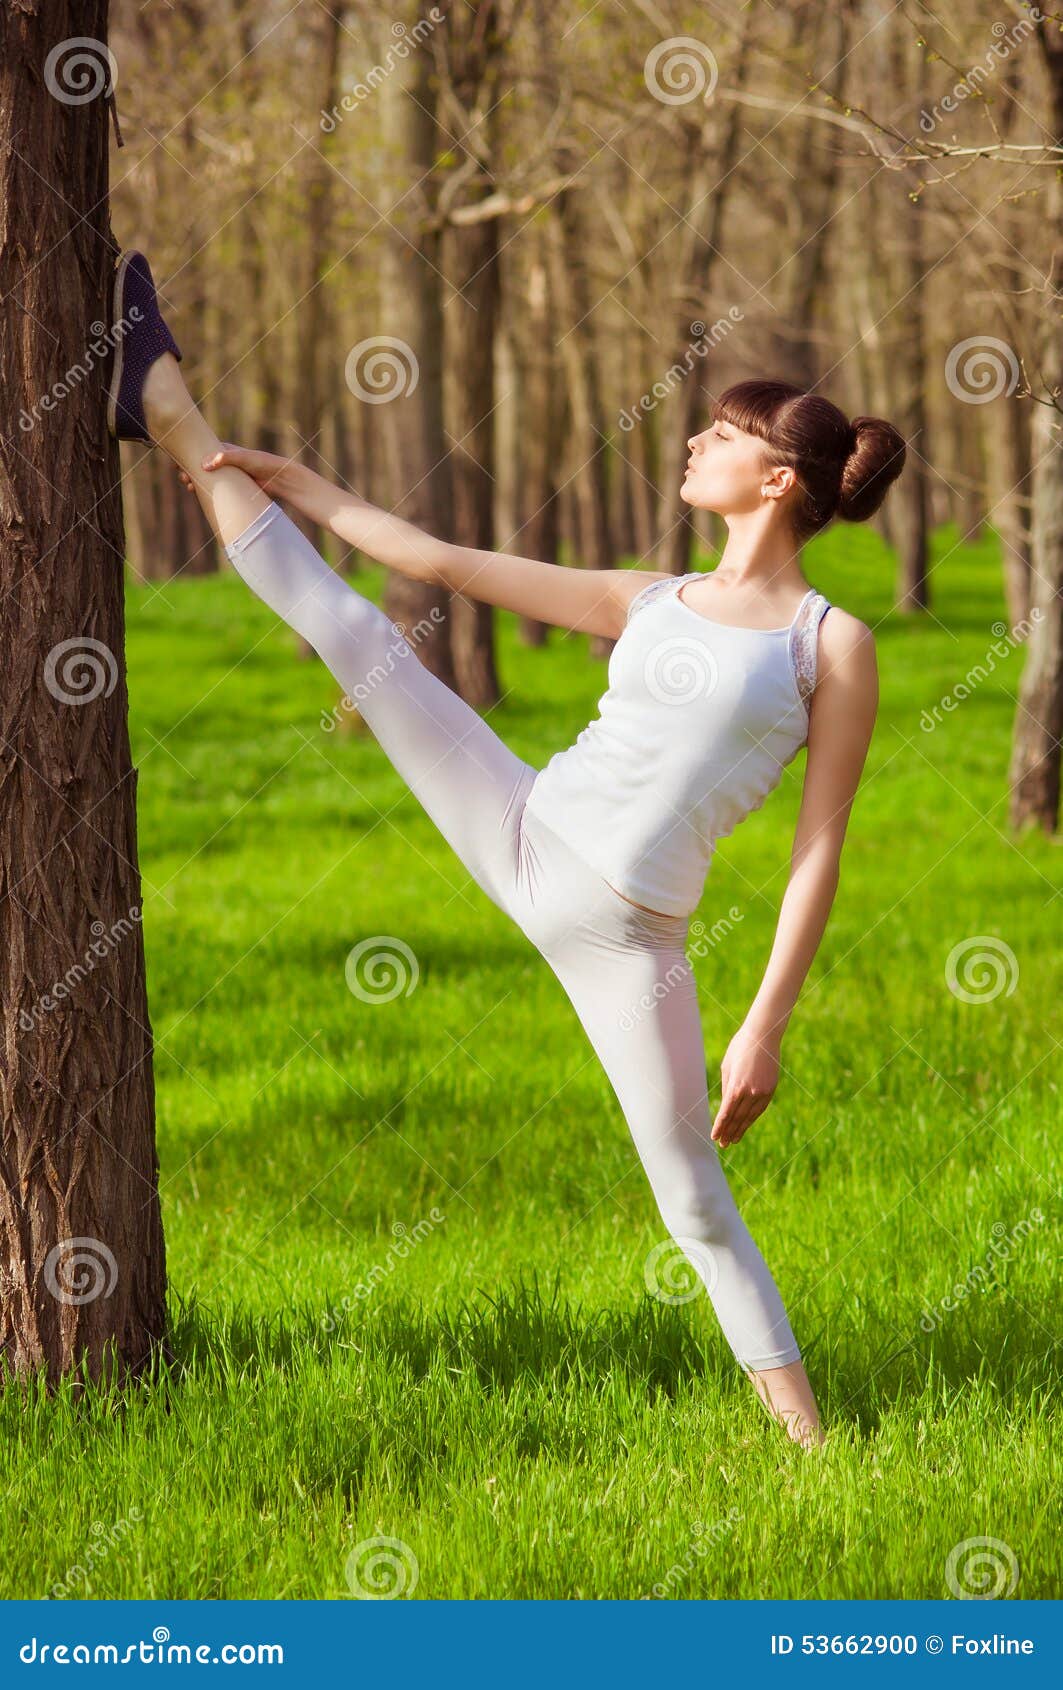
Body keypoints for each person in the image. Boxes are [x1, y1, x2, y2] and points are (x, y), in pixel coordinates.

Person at [108, 252, 906, 1449]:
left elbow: (818, 849)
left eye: (719, 436)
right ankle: (168, 409)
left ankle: (812, 1444)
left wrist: (765, 1023)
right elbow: (438, 564)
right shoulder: (651, 594)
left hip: (631, 941)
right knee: (353, 628)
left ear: (775, 478)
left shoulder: (828, 645)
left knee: (692, 1197)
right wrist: (303, 484)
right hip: (523, 819)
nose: (692, 444)